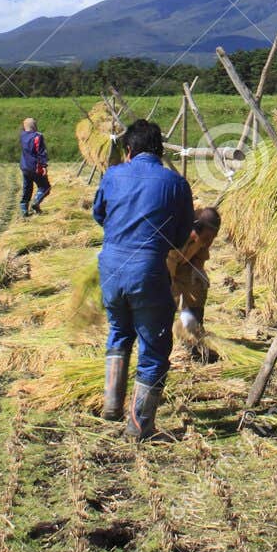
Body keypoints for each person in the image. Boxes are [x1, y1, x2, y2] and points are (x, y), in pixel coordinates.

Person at [92, 118, 195, 440]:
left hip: (110, 266)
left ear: (128, 150)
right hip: (148, 270)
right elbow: (181, 236)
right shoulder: (176, 184)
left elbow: (99, 214)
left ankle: (111, 404)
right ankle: (139, 426)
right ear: (160, 150)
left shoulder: (112, 175)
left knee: (120, 330)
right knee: (154, 346)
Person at [168, 206, 221, 341]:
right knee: (168, 298)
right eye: (207, 238)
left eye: (213, 237)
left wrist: (198, 268)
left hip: (183, 265)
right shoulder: (176, 237)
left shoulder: (203, 238)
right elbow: (167, 275)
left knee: (198, 285)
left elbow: (201, 254)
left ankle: (195, 331)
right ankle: (180, 330)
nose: (209, 242)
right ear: (196, 231)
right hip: (162, 269)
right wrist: (182, 307)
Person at [19, 117, 51, 218]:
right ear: (34, 126)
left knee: (27, 188)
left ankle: (24, 209)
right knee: (45, 187)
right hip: (35, 167)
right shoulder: (38, 136)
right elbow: (41, 152)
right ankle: (36, 203)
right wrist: (44, 165)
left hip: (25, 167)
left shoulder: (22, 135)